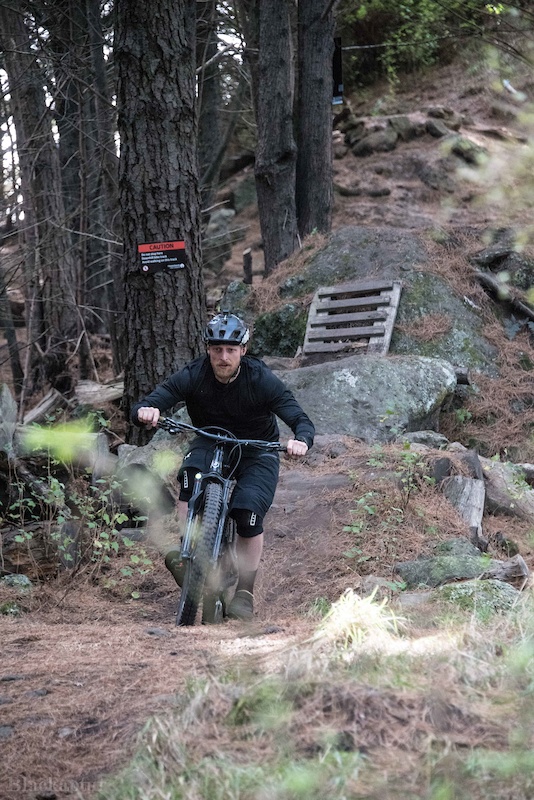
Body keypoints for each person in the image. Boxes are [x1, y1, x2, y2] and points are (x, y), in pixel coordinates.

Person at [131, 311, 315, 621]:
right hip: (210, 440)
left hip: (257, 449)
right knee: (190, 480)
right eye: (217, 349)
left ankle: (244, 591)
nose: (223, 357)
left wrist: (302, 440)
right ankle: (187, 553)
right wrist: (147, 411)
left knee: (247, 514)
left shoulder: (260, 379)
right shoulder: (194, 374)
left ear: (243, 350)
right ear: (208, 349)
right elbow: (151, 400)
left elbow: (299, 418)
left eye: (231, 350)